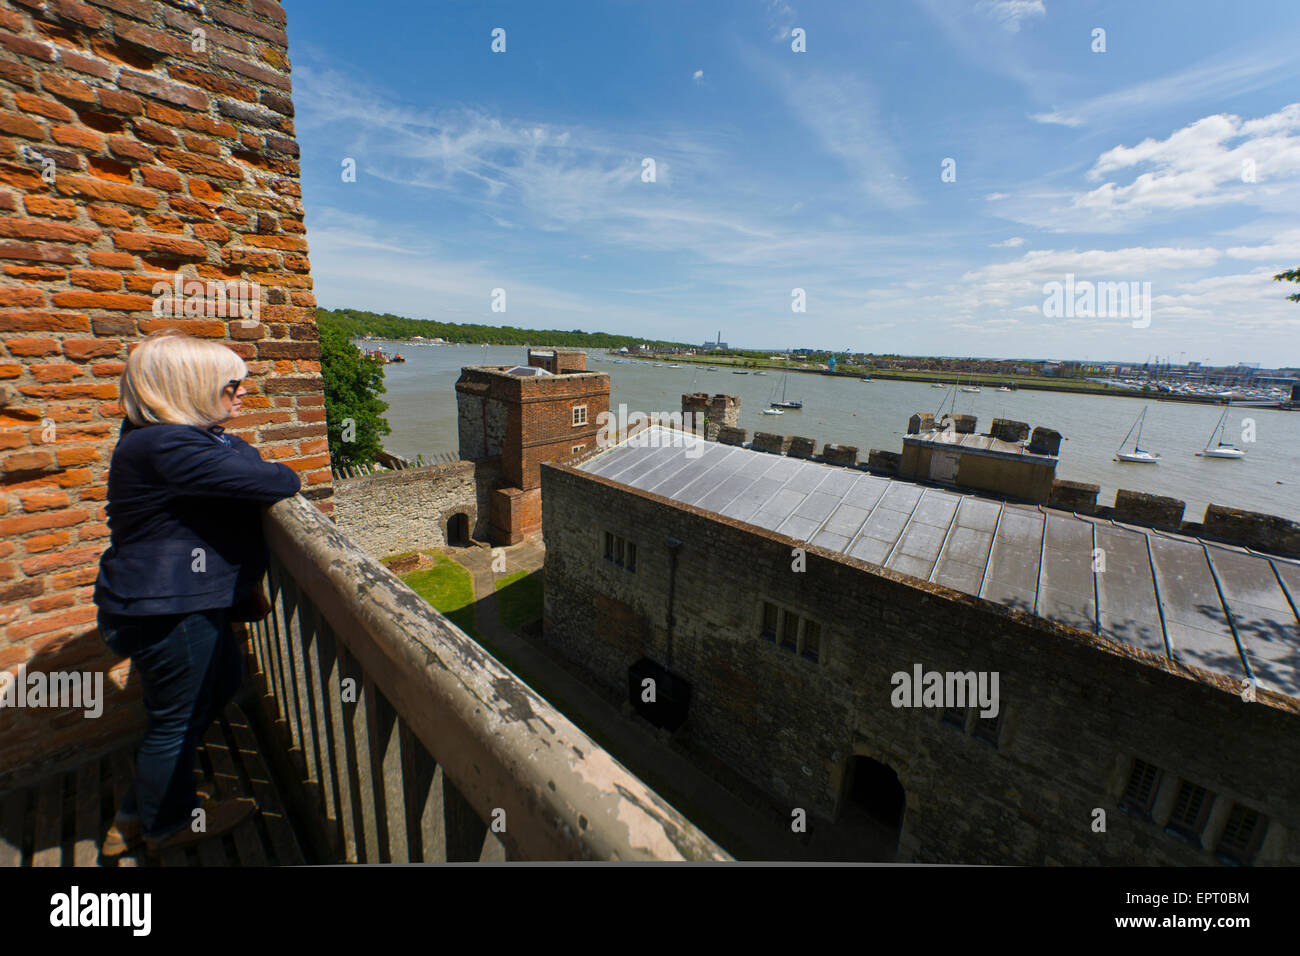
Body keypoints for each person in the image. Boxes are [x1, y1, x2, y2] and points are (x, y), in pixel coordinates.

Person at [94, 329, 302, 858]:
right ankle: (164, 825)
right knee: (177, 720)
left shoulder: (159, 437)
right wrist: (256, 461)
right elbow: (279, 480)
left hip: (175, 603)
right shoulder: (166, 444)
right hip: (170, 608)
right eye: (232, 385)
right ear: (193, 387)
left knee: (216, 686)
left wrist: (235, 447)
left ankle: (141, 811)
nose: (242, 393)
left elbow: (240, 456)